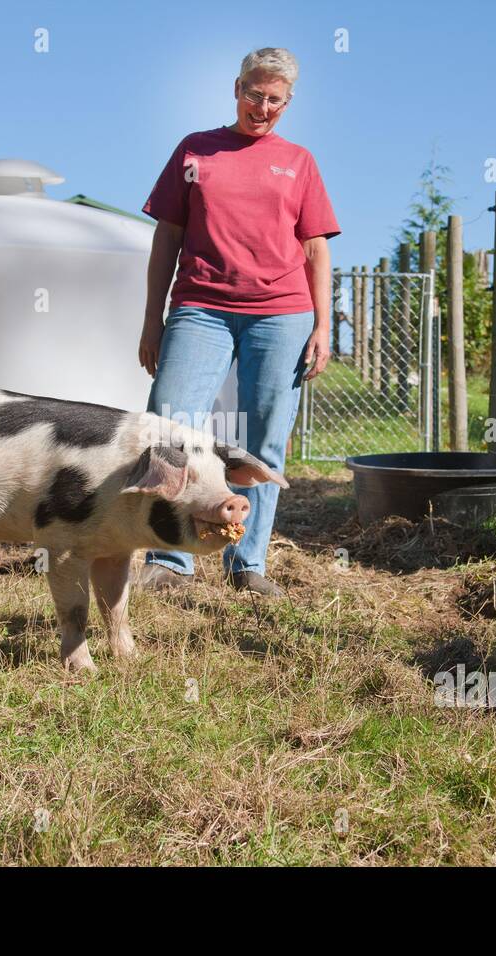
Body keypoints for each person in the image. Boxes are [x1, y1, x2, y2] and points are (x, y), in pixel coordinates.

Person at [135, 47, 340, 597]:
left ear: (287, 103)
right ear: (236, 88)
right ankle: (169, 557)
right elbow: (166, 238)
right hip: (200, 307)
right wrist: (153, 320)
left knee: (264, 440)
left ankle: (247, 563)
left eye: (275, 99)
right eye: (255, 93)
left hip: (282, 313)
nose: (263, 106)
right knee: (170, 426)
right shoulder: (196, 149)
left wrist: (322, 327)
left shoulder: (298, 161)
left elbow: (316, 250)